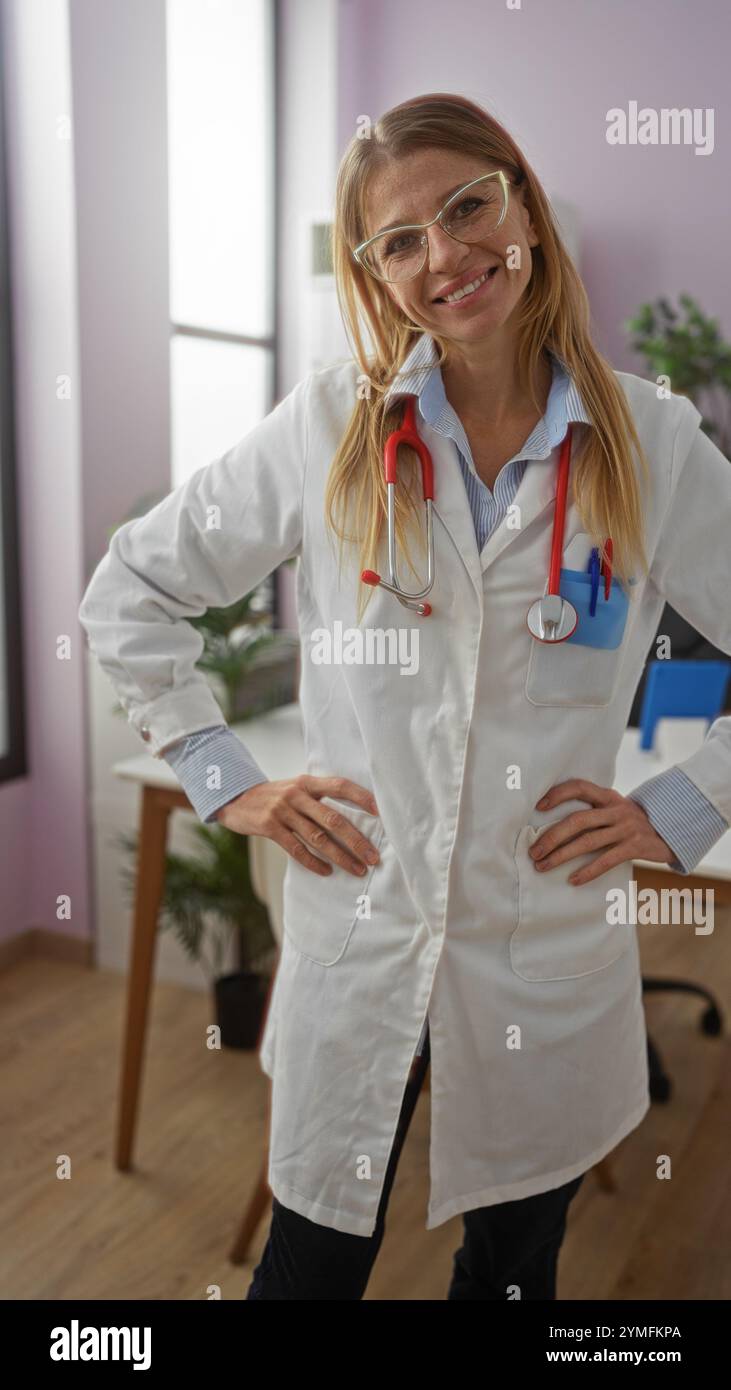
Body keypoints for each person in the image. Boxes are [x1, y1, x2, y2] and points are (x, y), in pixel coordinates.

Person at [78, 93, 731, 1300]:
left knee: (516, 1264)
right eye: (399, 238)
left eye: (467, 205)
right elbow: (131, 592)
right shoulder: (328, 428)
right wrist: (228, 780)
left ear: (520, 201)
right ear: (372, 274)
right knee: (311, 1265)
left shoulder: (651, 443)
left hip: (541, 935)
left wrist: (679, 807)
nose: (446, 254)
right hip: (360, 925)